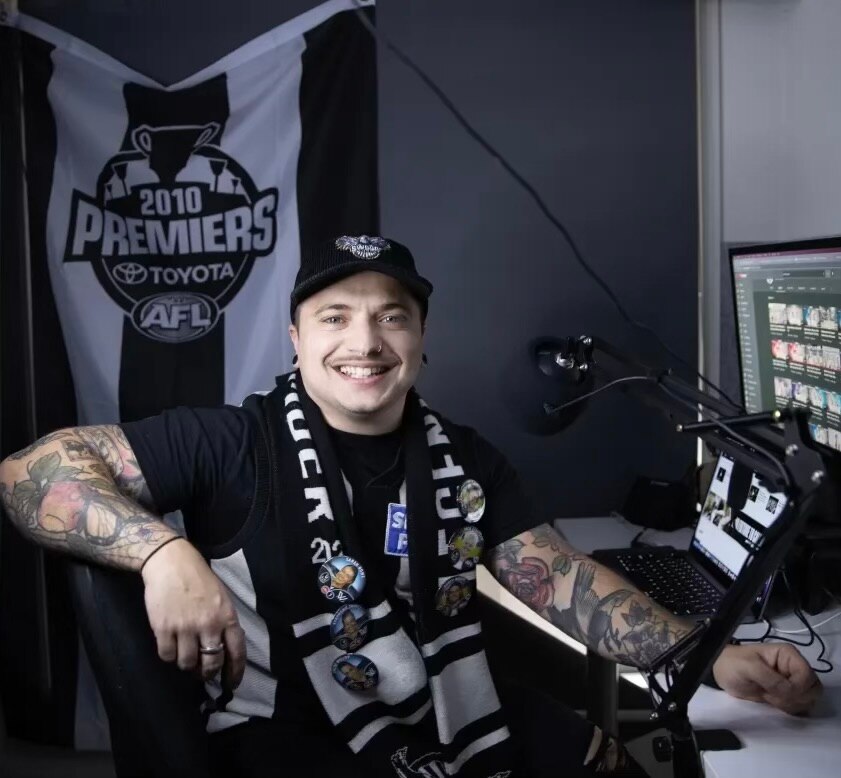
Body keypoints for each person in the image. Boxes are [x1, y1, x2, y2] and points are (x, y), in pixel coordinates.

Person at [0, 235, 821, 778]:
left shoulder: (463, 457)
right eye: (336, 317)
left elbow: (561, 582)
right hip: (281, 727)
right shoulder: (227, 440)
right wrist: (162, 554)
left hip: (436, 694)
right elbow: (27, 472)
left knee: (626, 761)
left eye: (392, 317)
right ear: (295, 337)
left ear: (422, 337)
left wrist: (706, 657)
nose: (365, 343)